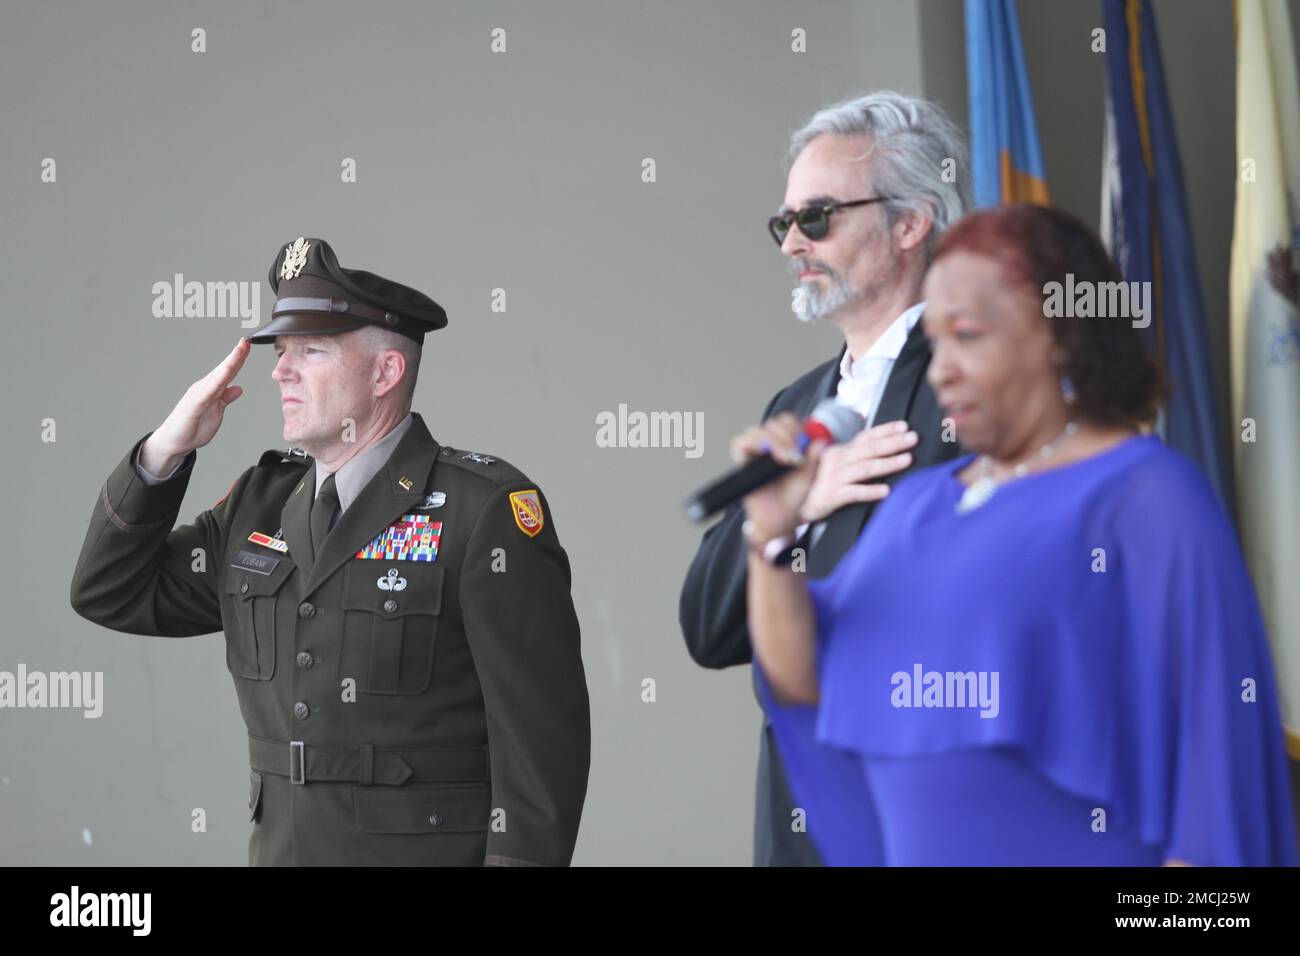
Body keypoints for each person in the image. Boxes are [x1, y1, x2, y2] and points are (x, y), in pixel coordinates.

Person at [735, 204, 1298, 865]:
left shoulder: (1145, 498)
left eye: (968, 335)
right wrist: (771, 536)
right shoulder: (921, 506)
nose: (941, 369)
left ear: (1057, 332)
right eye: (936, 342)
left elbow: (1212, 777)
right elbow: (804, 679)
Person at [70, 236, 591, 866]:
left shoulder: (483, 512)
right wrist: (164, 455)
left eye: (310, 351)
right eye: (282, 352)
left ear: (385, 372)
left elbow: (541, 745)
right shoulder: (258, 507)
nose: (280, 371)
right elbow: (110, 591)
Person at [680, 91, 969, 865]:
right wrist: (784, 519)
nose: (791, 244)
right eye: (785, 223)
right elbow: (708, 629)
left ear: (909, 223)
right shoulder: (797, 403)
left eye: (817, 218)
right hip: (798, 825)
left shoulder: (975, 387)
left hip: (926, 818)